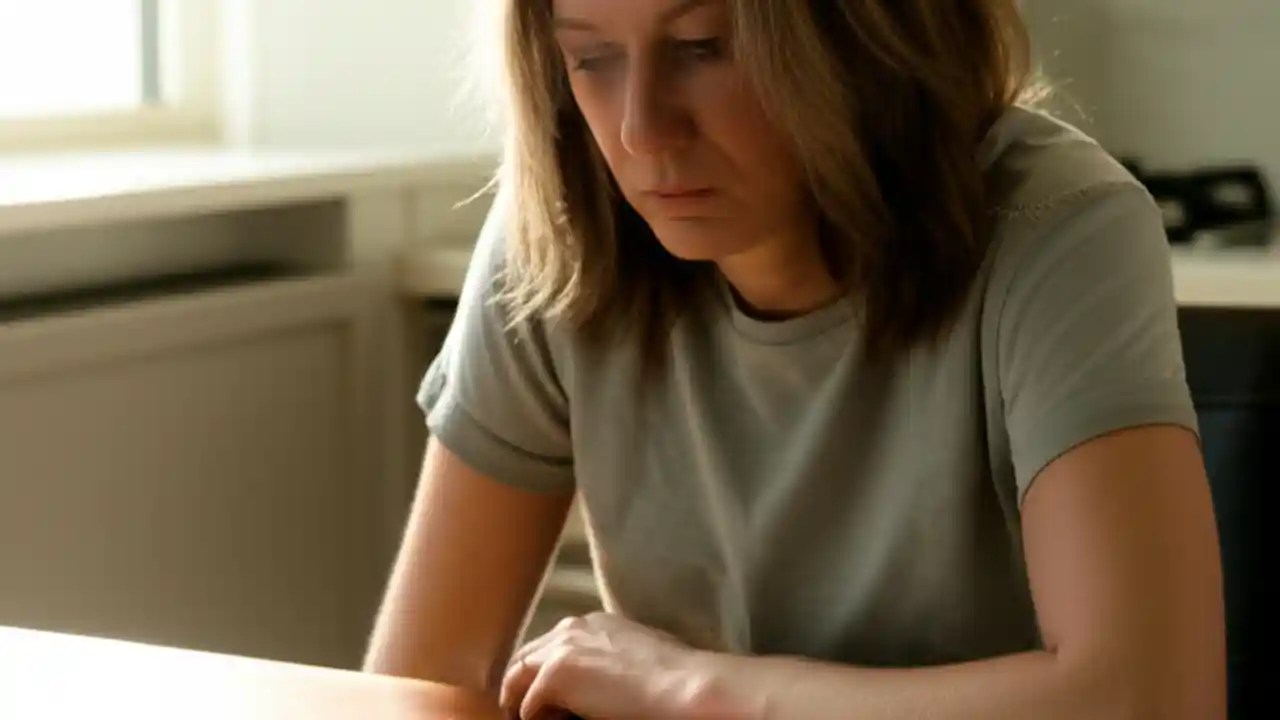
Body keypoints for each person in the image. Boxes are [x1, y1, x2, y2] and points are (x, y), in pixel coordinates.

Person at [365, 0, 1227, 717]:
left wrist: (692, 688)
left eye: (703, 47)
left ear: (863, 38)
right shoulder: (557, 238)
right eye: (590, 58)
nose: (642, 132)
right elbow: (414, 686)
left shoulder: (1060, 230)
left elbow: (1146, 698)